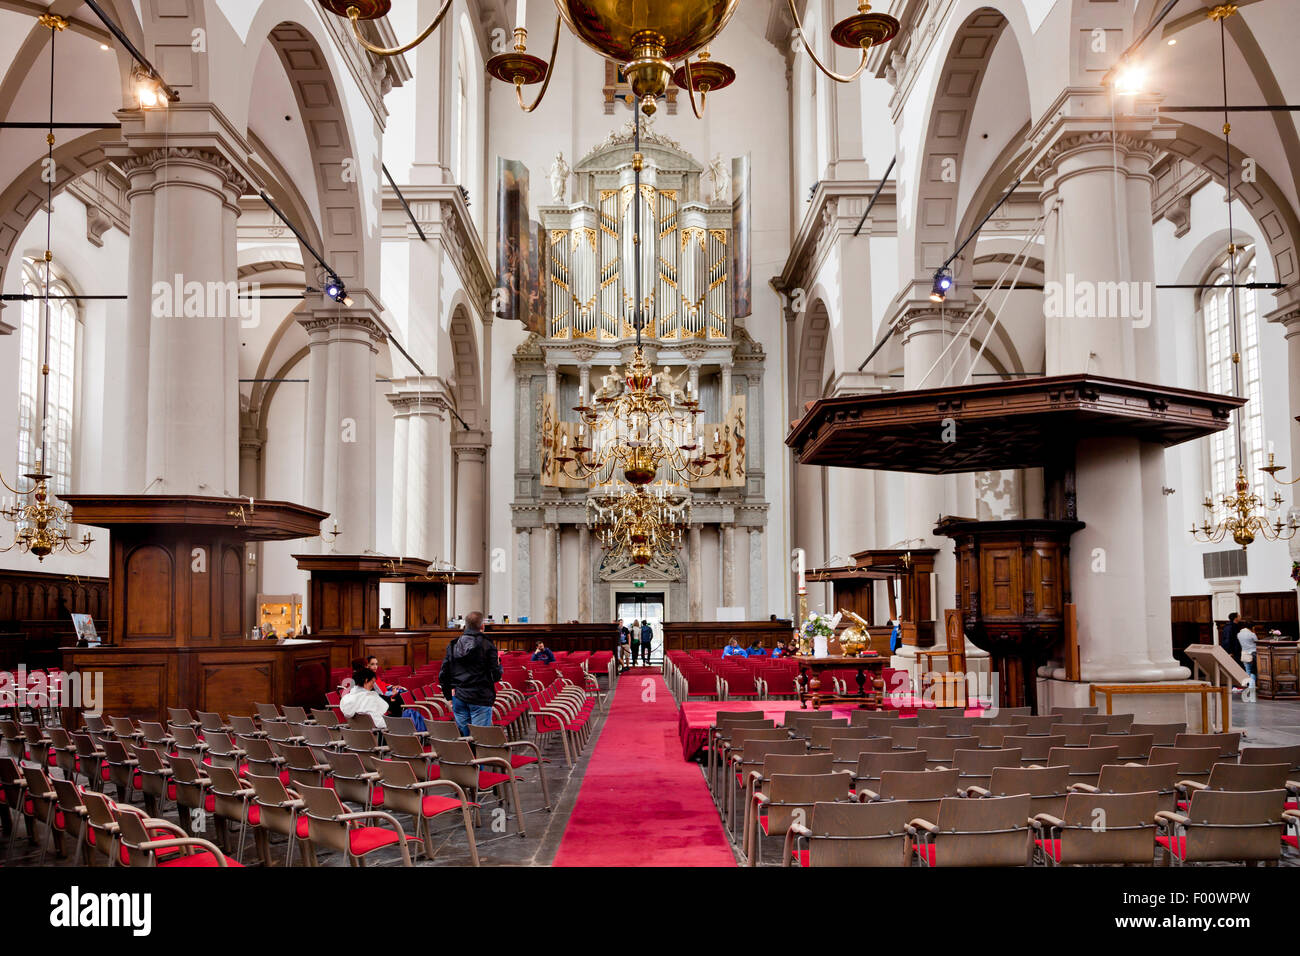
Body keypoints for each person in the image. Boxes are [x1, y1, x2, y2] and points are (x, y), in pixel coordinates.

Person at [439, 611, 502, 735]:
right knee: (480, 738)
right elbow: (495, 676)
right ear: (482, 626)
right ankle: (478, 755)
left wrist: (448, 696)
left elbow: (444, 674)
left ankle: (468, 755)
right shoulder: (487, 645)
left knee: (465, 739)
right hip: (480, 696)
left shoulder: (453, 645)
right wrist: (499, 668)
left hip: (459, 696)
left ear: (465, 625)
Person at [1237, 621, 1258, 700]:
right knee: (1253, 671)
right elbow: (1256, 642)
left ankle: (1248, 687)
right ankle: (1252, 688)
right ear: (1252, 627)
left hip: (1244, 653)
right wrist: (1254, 632)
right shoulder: (1252, 634)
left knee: (1247, 671)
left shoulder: (1239, 634)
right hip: (1252, 654)